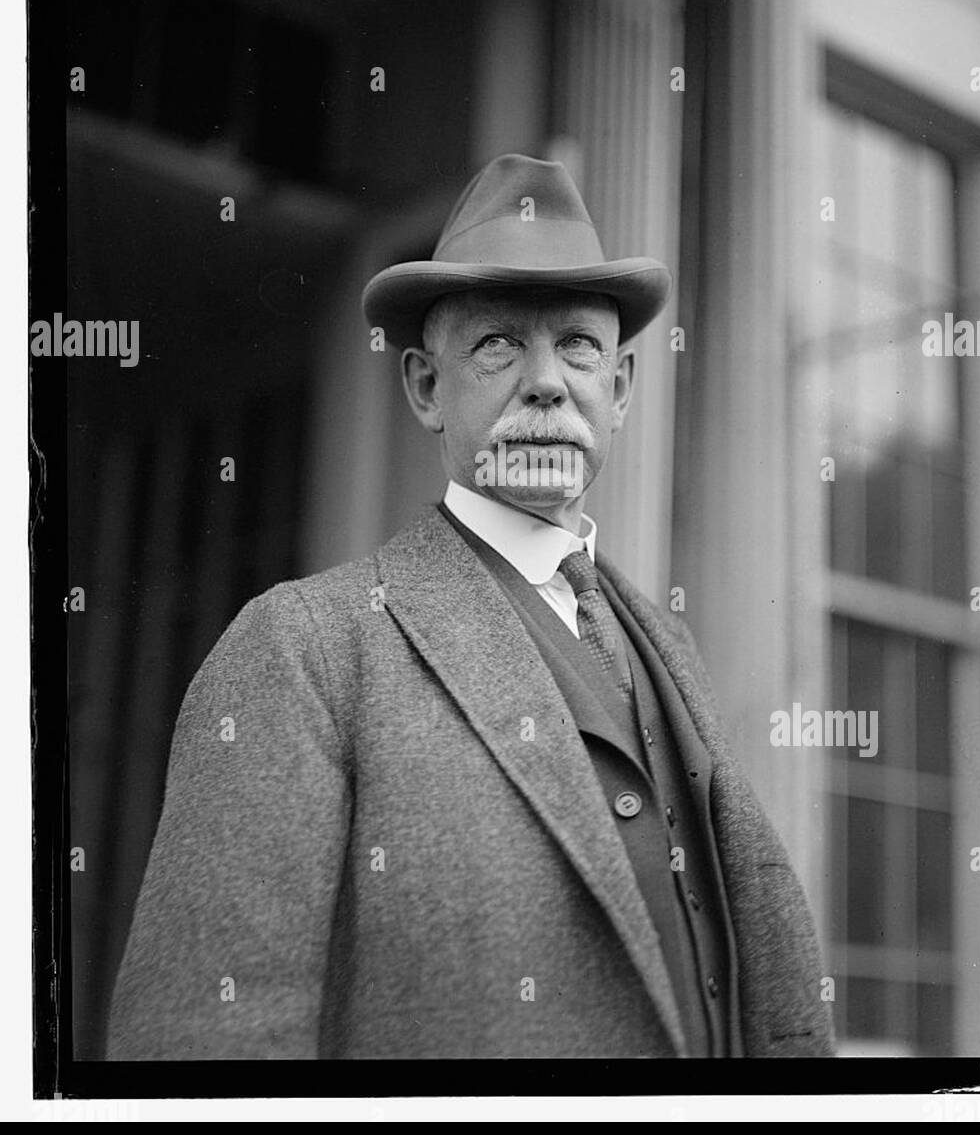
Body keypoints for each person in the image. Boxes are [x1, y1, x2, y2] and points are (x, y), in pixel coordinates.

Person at [107, 154, 835, 1060]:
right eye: (497, 343)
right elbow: (204, 1046)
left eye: (577, 344)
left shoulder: (666, 643)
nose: (544, 380)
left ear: (618, 390)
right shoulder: (303, 648)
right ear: (424, 388)